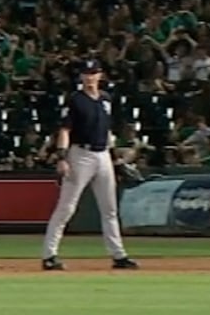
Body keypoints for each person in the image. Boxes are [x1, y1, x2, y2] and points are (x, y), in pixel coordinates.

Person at [41, 60, 140, 271]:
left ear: (100, 75)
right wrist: (61, 157)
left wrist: (114, 159)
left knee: (110, 209)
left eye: (93, 73)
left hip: (102, 153)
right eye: (86, 73)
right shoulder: (75, 100)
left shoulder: (106, 99)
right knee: (67, 207)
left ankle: (118, 255)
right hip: (80, 154)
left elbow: (108, 132)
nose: (89, 77)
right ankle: (49, 255)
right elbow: (65, 130)